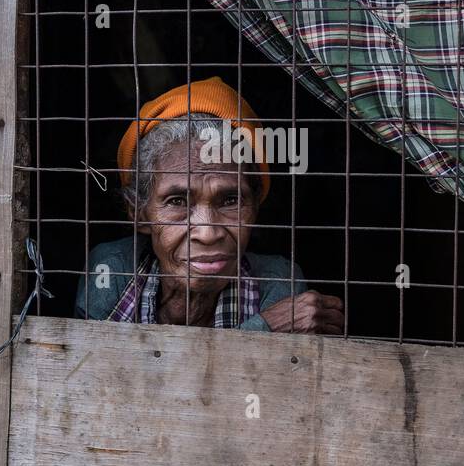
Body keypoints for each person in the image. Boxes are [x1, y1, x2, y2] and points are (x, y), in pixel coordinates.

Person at [75, 77, 343, 333]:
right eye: (177, 201)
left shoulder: (278, 280)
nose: (207, 233)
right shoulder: (111, 268)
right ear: (139, 212)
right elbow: (93, 361)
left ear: (254, 209)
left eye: (230, 201)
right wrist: (264, 327)